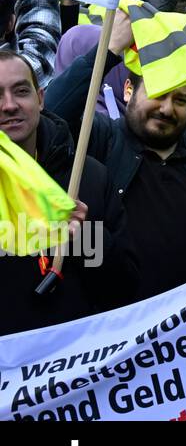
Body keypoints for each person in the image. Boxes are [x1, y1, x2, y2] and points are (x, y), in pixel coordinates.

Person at [42, 10, 186, 301]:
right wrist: (108, 51)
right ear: (128, 90)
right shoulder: (98, 141)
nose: (167, 109)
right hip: (112, 327)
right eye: (159, 93)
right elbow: (51, 113)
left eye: (181, 100)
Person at [0, 52, 135, 336]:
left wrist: (86, 237)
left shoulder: (88, 177)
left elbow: (124, 290)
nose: (10, 105)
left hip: (73, 366)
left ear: (40, 98)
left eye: (21, 91)